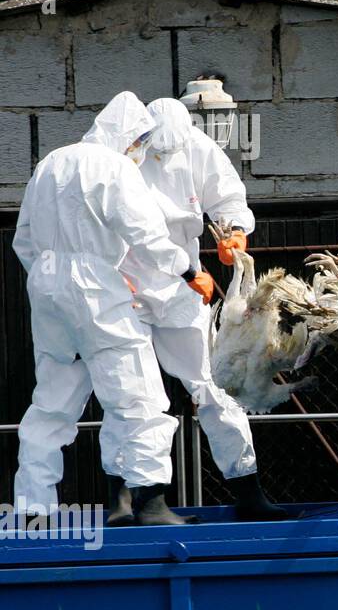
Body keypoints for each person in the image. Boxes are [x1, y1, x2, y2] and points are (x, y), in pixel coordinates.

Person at [11, 92, 214, 526]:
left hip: (45, 290)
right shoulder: (114, 165)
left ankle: (32, 507)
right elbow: (146, 233)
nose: (140, 151)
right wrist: (190, 271)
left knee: (51, 402)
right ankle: (151, 504)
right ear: (129, 137)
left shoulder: (50, 162)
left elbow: (23, 238)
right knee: (137, 393)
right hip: (95, 290)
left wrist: (53, 277)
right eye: (140, 142)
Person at [119, 97, 286, 521]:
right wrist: (188, 269)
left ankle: (248, 493)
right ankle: (135, 500)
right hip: (129, 283)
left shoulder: (196, 145)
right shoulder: (122, 151)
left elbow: (227, 196)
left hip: (181, 287)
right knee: (129, 392)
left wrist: (234, 236)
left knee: (216, 385)